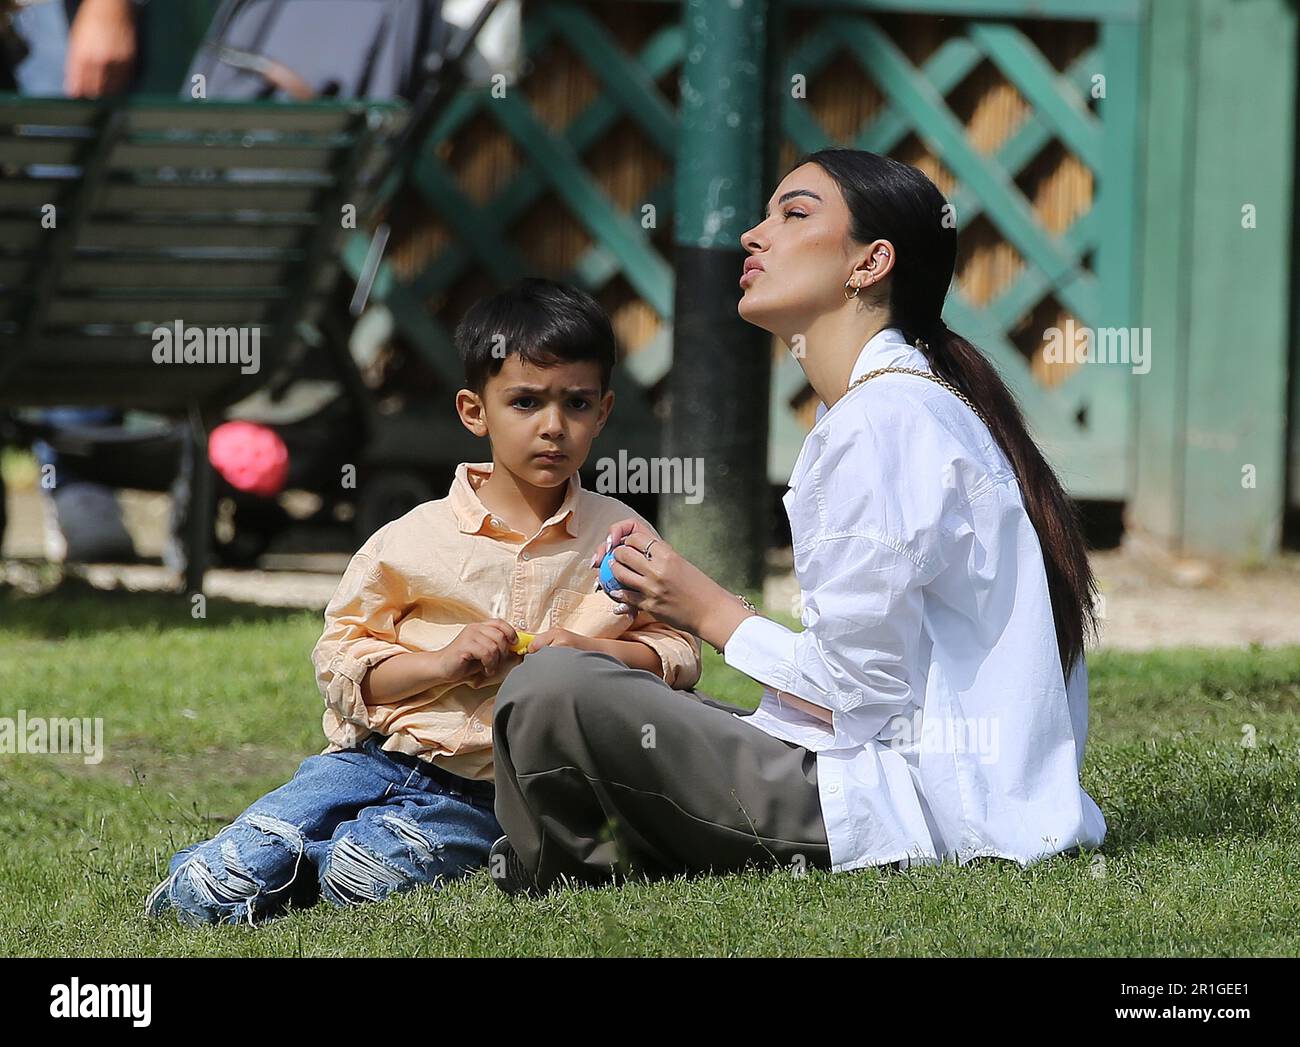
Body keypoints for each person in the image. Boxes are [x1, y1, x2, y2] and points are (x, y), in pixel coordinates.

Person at [486, 149, 1108, 895]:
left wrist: (705, 607)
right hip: (884, 783)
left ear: (869, 263)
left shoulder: (882, 420)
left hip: (898, 807)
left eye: (794, 213)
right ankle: (575, 843)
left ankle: (558, 859)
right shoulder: (899, 406)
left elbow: (858, 691)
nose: (754, 235)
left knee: (553, 688)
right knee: (578, 676)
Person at [145, 279, 701, 925]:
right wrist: (443, 663)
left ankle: (344, 856)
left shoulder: (622, 536)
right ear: (474, 410)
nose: (554, 426)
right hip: (370, 761)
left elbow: (677, 651)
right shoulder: (410, 540)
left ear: (603, 412)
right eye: (525, 401)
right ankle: (272, 857)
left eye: (576, 403)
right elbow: (343, 661)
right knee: (213, 885)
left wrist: (591, 651)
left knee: (368, 871)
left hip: (494, 793)